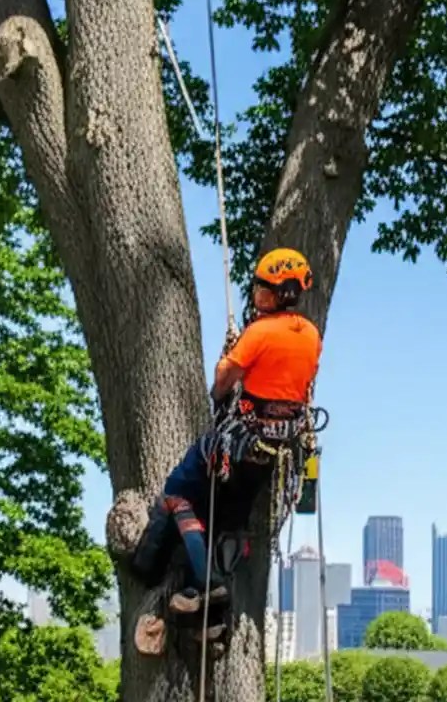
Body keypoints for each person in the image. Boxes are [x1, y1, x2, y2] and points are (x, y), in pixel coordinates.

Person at [131, 247, 323, 619]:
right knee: (231, 514)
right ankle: (205, 582)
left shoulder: (259, 332)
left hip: (237, 443)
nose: (257, 295)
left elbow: (222, 383)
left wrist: (229, 358)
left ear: (284, 292)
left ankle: (200, 580)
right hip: (274, 453)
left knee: (177, 493)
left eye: (265, 289)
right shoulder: (311, 335)